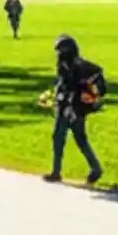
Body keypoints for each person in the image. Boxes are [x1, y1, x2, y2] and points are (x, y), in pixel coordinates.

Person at [43, 35, 104, 185]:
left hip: (76, 107)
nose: (58, 54)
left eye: (61, 50)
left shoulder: (80, 66)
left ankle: (95, 169)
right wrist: (54, 96)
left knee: (79, 138)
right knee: (59, 137)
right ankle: (56, 171)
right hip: (64, 105)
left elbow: (89, 82)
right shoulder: (62, 65)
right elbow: (61, 83)